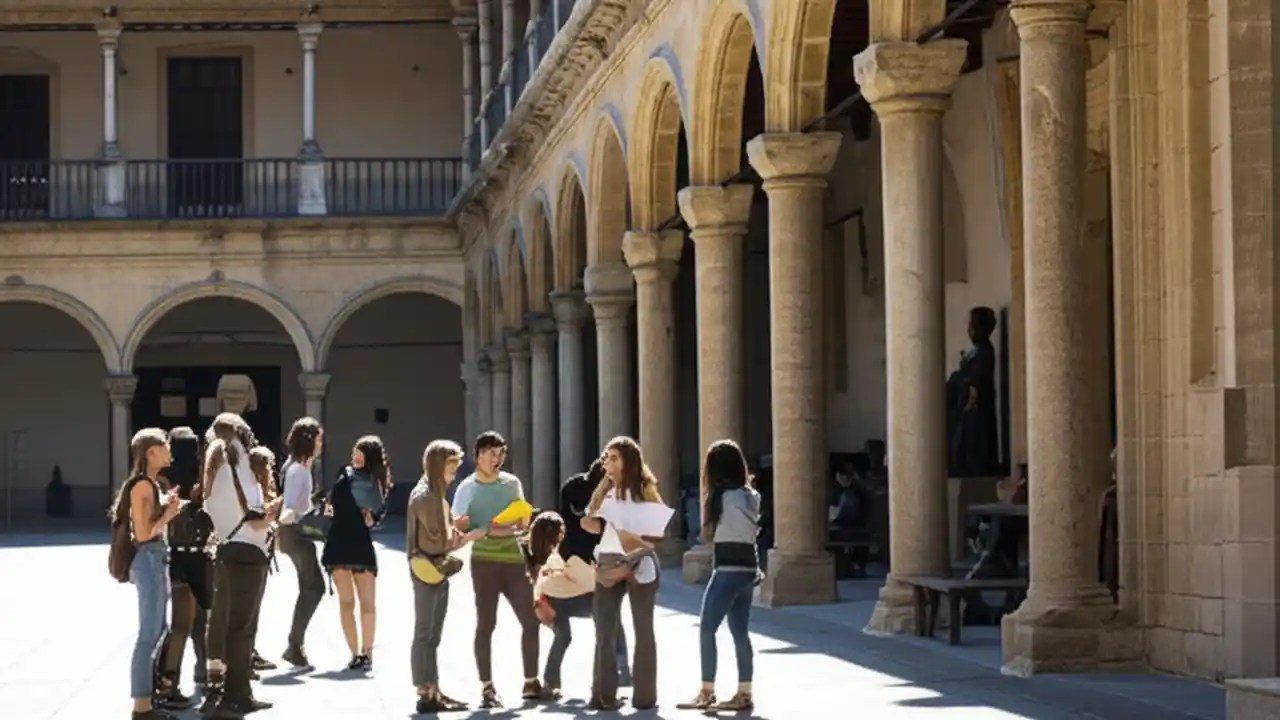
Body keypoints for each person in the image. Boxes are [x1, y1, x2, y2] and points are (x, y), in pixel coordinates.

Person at [451, 431, 544, 707]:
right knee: (486, 624)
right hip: (484, 562)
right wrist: (471, 526)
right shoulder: (467, 487)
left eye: (501, 453)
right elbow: (458, 522)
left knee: (530, 619)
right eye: (491, 453)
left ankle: (531, 680)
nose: (497, 459)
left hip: (515, 560)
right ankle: (487, 687)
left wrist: (496, 528)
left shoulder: (511, 483)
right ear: (477, 454)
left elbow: (523, 522)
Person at [200, 413, 280, 719]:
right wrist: (273, 513)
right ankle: (237, 695)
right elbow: (256, 520)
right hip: (249, 551)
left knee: (232, 624)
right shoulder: (239, 470)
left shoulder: (213, 471)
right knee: (242, 628)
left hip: (226, 548)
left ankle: (234, 692)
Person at [582, 436, 667, 711]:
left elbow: (656, 535)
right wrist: (591, 522)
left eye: (614, 457)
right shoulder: (604, 489)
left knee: (644, 630)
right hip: (607, 559)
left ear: (629, 460)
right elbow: (596, 525)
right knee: (604, 631)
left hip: (640, 561)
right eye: (606, 457)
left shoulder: (645, 490)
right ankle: (604, 695)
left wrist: (631, 547)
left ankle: (645, 697)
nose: (607, 462)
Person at [678, 440, 760, 711]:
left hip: (727, 568)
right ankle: (745, 692)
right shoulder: (752, 496)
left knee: (707, 628)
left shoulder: (720, 497)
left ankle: (706, 690)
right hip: (749, 568)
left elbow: (706, 534)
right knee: (740, 632)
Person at [407, 439, 482, 713]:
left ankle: (432, 689)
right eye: (452, 466)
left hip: (435, 571)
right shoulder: (426, 496)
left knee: (431, 636)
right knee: (425, 633)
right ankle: (425, 692)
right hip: (428, 569)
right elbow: (434, 543)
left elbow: (439, 531)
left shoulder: (433, 493)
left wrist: (454, 526)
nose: (454, 473)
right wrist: (467, 537)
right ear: (439, 465)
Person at [521, 511, 629, 698]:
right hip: (574, 600)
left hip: (550, 603)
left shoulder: (536, 557)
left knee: (563, 637)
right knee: (608, 616)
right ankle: (618, 670)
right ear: (559, 534)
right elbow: (591, 581)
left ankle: (550, 682)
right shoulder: (565, 556)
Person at [113, 428, 182, 720]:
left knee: (159, 629)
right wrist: (168, 514)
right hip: (149, 560)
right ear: (151, 452)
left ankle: (148, 700)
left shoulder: (150, 484)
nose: (169, 451)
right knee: (148, 634)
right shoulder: (143, 486)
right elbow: (143, 533)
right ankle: (141, 706)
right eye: (164, 446)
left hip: (156, 560)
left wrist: (166, 506)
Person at [556, 460, 632, 684]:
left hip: (580, 559)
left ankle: (553, 677)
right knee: (610, 617)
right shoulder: (603, 493)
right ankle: (620, 668)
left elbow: (564, 524)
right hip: (595, 559)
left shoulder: (572, 487)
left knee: (602, 617)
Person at [153, 426, 211, 709]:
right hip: (201, 555)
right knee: (201, 618)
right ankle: (205, 671)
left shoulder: (163, 480)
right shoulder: (203, 478)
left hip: (175, 555)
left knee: (181, 623)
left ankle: (168, 682)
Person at [321, 435, 390, 671]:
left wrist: (371, 517)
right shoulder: (344, 476)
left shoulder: (376, 483)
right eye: (354, 451)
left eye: (360, 452)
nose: (355, 456)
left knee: (368, 603)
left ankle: (368, 651)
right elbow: (331, 506)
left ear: (370, 456)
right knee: (346, 601)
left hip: (361, 544)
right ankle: (355, 652)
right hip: (339, 542)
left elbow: (378, 513)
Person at [275, 417, 326, 668]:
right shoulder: (298, 470)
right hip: (295, 533)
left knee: (311, 587)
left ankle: (295, 644)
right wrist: (313, 512)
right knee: (313, 587)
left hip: (296, 534)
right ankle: (294, 644)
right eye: (318, 438)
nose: (321, 444)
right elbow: (291, 507)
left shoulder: (299, 467)